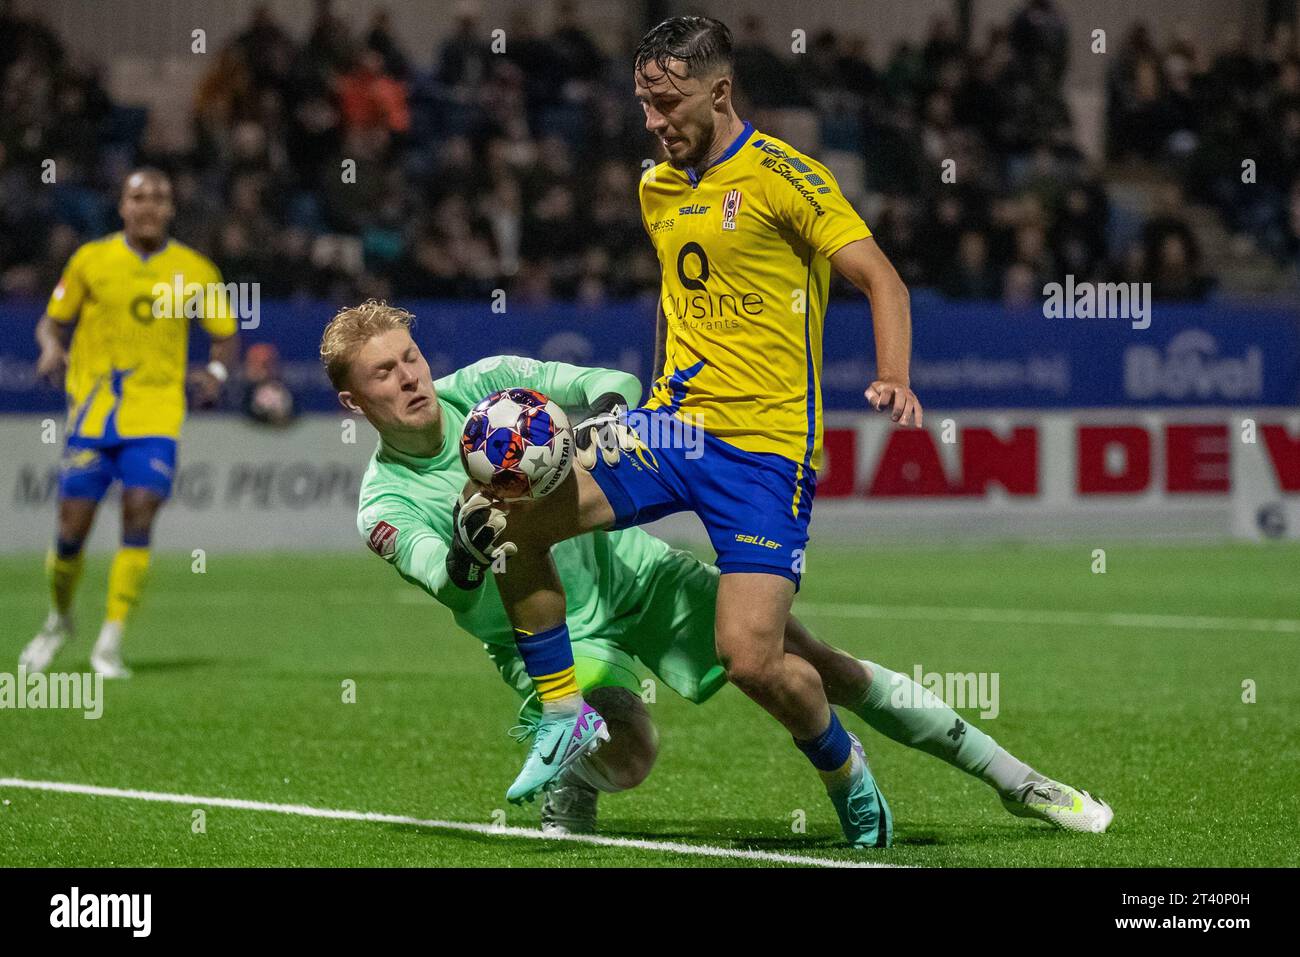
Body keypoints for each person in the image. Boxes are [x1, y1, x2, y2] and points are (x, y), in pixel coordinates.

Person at [327, 300, 1113, 839]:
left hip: (640, 575)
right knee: (630, 746)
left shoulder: (495, 388)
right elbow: (446, 578)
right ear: (353, 402)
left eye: (410, 357)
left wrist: (594, 420)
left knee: (819, 666)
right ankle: (581, 763)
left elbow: (615, 385)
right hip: (557, 635)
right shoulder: (383, 506)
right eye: (383, 374)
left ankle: (1018, 781)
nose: (409, 378)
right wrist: (471, 541)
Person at [462, 15, 921, 846]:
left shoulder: (787, 177)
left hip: (765, 450)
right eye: (643, 104)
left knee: (751, 657)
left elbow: (882, 280)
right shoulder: (657, 188)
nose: (653, 121)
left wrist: (893, 373)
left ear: (720, 90)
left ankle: (843, 768)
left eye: (667, 102)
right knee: (504, 518)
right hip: (671, 429)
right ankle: (563, 713)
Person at [20, 168, 239, 678]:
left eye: (159, 198)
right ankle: (58, 619)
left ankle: (109, 642)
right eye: (138, 197)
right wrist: (52, 347)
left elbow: (225, 335)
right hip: (92, 414)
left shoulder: (196, 270)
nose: (148, 206)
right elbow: (52, 321)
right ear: (122, 206)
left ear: (170, 209)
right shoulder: (90, 260)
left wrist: (216, 370)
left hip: (157, 414)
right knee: (71, 529)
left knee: (139, 510)